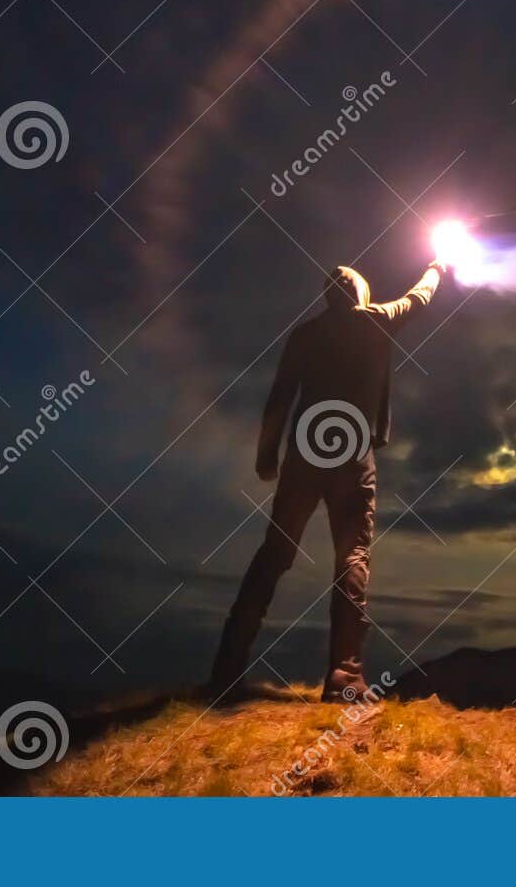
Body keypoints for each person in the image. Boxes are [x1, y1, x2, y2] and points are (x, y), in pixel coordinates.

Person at [209, 259, 445, 702]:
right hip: (352, 453)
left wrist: (267, 457)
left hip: (305, 449)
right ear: (358, 293)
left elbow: (280, 395)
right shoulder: (376, 321)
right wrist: (437, 267)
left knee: (275, 553)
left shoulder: (305, 334)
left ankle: (225, 671)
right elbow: (419, 298)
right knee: (352, 555)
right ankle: (345, 678)